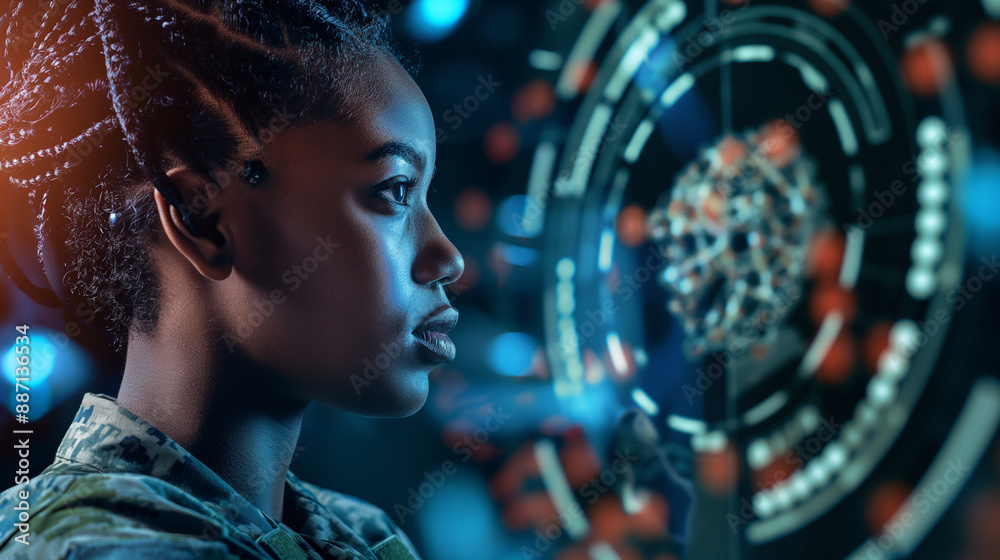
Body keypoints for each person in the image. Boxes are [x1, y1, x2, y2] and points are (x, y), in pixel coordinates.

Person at [0, 0, 464, 558]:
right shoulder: (94, 547)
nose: (448, 258)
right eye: (395, 190)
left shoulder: (364, 533)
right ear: (202, 222)